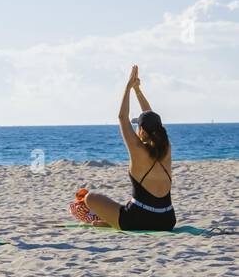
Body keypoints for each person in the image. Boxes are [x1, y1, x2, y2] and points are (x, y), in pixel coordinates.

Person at [75, 65, 176, 231]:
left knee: (90, 198)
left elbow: (122, 117)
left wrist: (128, 87)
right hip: (167, 220)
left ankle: (112, 221)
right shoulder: (167, 149)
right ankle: (110, 221)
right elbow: (151, 116)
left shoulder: (137, 150)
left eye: (138, 126)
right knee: (129, 204)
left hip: (138, 220)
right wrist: (138, 90)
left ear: (142, 131)